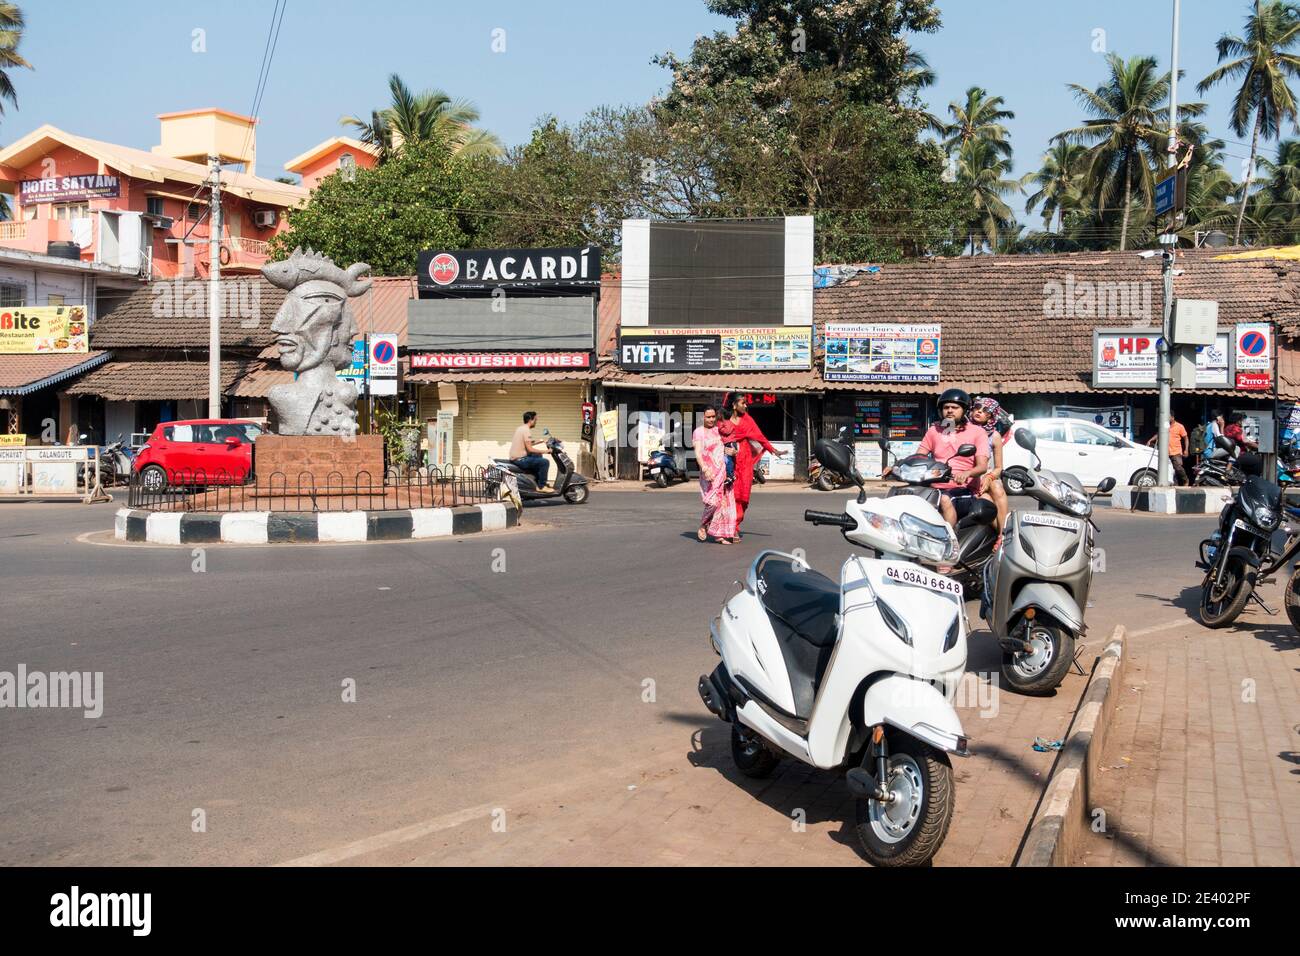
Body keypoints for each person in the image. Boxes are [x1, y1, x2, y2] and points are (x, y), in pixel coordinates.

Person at [915, 388, 989, 531]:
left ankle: (949, 541)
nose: (949, 411)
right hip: (934, 486)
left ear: (965, 411)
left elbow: (982, 467)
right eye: (946, 407)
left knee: (944, 499)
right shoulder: (934, 430)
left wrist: (966, 473)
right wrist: (897, 467)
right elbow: (919, 456)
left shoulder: (977, 432)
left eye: (955, 407)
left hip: (963, 489)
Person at [718, 395, 786, 536]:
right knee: (732, 496)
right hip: (729, 462)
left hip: (745, 461)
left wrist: (773, 450)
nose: (746, 406)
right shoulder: (723, 422)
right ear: (734, 405)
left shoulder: (747, 420)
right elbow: (715, 440)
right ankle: (733, 528)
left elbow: (760, 437)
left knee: (744, 497)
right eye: (743, 403)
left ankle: (736, 521)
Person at [691, 405, 738, 544]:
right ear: (702, 417)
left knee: (723, 504)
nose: (711, 419)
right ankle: (703, 524)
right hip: (708, 472)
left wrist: (732, 452)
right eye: (708, 417)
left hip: (722, 471)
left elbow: (725, 449)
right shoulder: (698, 432)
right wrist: (705, 469)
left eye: (713, 417)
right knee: (711, 502)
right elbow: (698, 454)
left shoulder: (719, 430)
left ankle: (719, 535)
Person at [969, 397, 1010, 547]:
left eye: (985, 410)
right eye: (977, 407)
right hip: (969, 477)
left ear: (991, 416)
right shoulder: (963, 430)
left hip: (989, 477)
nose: (979, 411)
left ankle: (1002, 535)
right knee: (987, 502)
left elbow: (999, 467)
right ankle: (1003, 534)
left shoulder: (994, 436)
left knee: (997, 487)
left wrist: (989, 477)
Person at [509, 411, 551, 488]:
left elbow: (528, 443)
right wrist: (546, 451)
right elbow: (530, 449)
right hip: (520, 459)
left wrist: (542, 440)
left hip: (516, 457)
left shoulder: (521, 428)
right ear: (530, 420)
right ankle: (542, 486)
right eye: (535, 420)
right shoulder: (526, 430)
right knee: (545, 462)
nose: (536, 422)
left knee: (538, 455)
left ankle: (535, 481)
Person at [1145, 411, 1188, 485]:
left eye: (1168, 417)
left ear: (1172, 417)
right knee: (1169, 470)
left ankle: (1185, 480)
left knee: (1177, 467)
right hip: (1165, 452)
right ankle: (1174, 484)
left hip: (1176, 451)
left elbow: (1185, 438)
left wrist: (1186, 449)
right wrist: (1150, 440)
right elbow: (1158, 434)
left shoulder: (1180, 426)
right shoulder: (1165, 426)